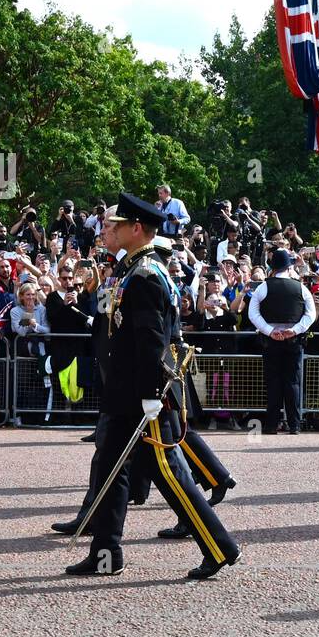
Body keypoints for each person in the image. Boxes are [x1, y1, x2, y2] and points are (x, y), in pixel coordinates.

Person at [66, 192, 239, 579]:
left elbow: (150, 341)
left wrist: (149, 395)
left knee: (170, 473)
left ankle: (219, 546)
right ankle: (105, 553)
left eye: (119, 225)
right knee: (113, 472)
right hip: (125, 392)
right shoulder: (135, 268)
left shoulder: (144, 275)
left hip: (144, 393)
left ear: (137, 229)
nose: (110, 230)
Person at [248, 247, 317, 435]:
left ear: (272, 266)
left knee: (273, 382)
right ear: (289, 266)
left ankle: (271, 425)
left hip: (271, 341)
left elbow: (253, 314)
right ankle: (294, 425)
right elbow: (310, 315)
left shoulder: (263, 287)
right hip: (293, 341)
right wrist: (293, 331)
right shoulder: (301, 287)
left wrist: (270, 331)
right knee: (293, 382)